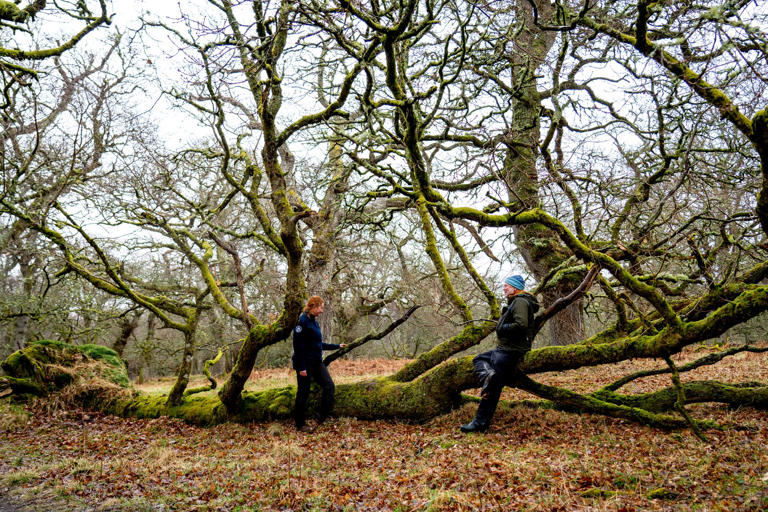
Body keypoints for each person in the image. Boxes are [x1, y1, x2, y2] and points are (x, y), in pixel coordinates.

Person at [460, 275, 540, 433]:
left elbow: (521, 324)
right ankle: (489, 375)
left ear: (515, 287)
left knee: (492, 389)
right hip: (505, 348)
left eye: (507, 286)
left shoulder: (520, 301)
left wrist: (502, 328)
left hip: (511, 350)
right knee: (480, 359)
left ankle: (479, 423)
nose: (504, 288)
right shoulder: (517, 301)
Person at [292, 296, 346, 432]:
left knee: (329, 386)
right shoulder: (302, 322)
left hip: (316, 362)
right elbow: (297, 346)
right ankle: (300, 424)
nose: (322, 311)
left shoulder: (314, 322)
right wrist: (301, 367)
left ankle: (321, 417)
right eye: (320, 307)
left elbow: (318, 344)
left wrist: (336, 346)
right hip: (304, 363)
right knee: (303, 393)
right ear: (313, 307)